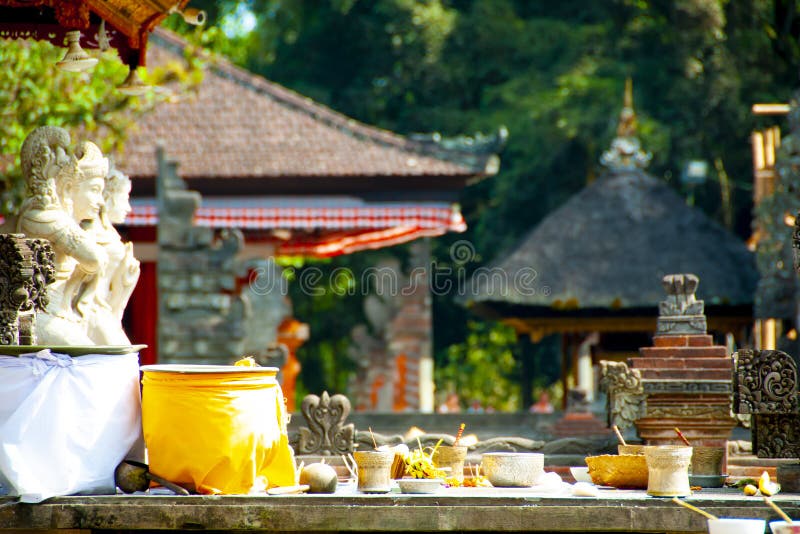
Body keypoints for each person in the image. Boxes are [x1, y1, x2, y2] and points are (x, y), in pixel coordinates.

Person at [17, 127, 108, 345]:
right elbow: (95, 258)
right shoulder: (43, 216)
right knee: (92, 362)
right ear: (68, 186)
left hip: (60, 314)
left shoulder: (58, 217)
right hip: (39, 318)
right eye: (94, 190)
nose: (101, 201)